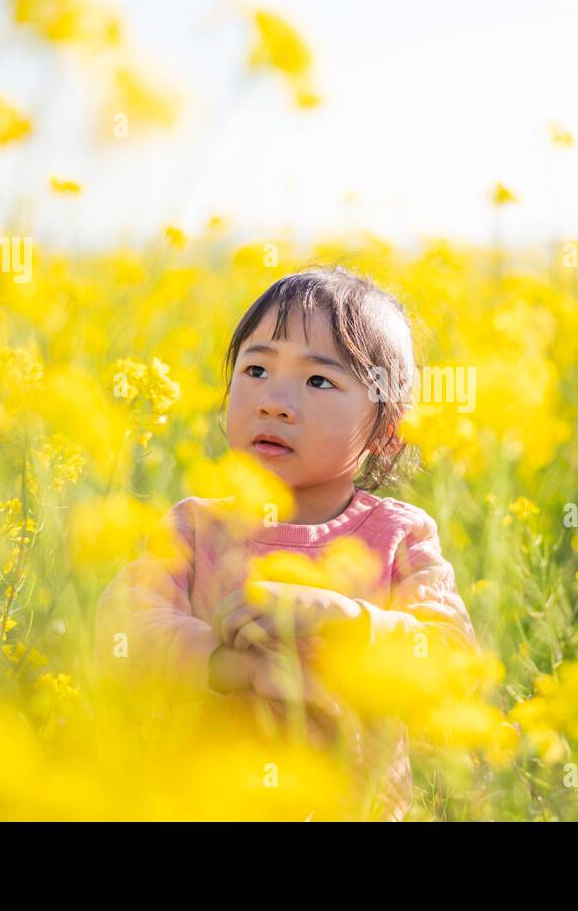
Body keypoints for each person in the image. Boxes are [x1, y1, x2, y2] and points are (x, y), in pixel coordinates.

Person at [93, 264, 479, 820]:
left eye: (318, 380)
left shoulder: (398, 535)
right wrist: (230, 665)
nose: (273, 401)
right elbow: (120, 628)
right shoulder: (195, 528)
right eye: (255, 369)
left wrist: (343, 617)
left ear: (385, 432)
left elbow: (452, 663)